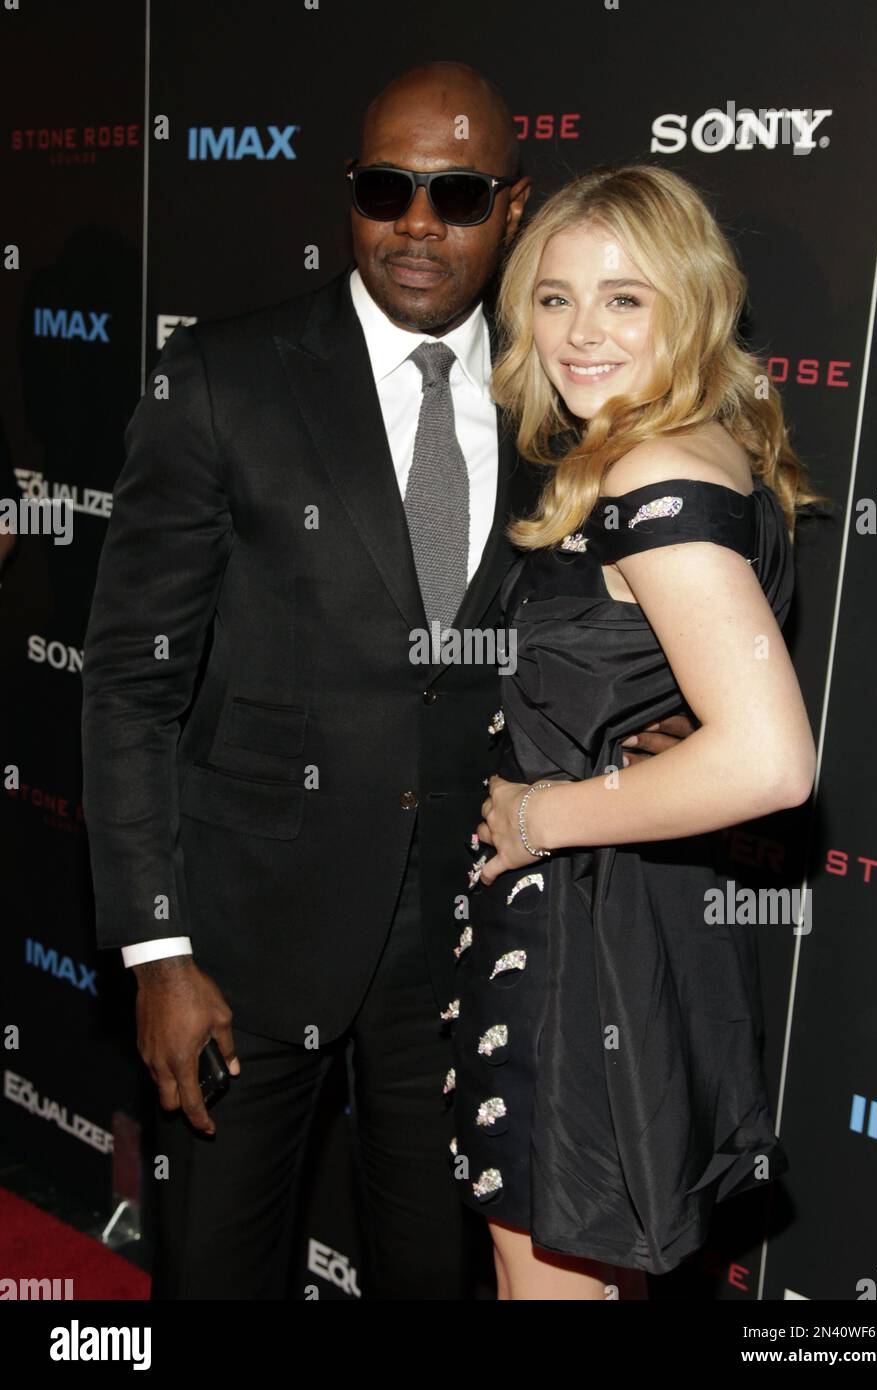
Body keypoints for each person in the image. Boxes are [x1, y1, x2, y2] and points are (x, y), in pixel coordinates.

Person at [80, 67, 693, 1300]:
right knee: (214, 1269)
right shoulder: (222, 379)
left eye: (456, 194)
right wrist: (157, 946)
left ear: (510, 207)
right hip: (242, 943)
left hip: (463, 938)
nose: (418, 222)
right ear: (350, 197)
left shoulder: (564, 409)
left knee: (432, 1271)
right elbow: (129, 687)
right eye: (386, 189)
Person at [449, 163, 821, 1300]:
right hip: (640, 923)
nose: (577, 332)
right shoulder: (704, 440)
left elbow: (769, 758)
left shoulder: (652, 467)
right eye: (553, 297)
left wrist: (538, 814)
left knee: (545, 1279)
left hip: (583, 940)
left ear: (689, 301)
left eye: (622, 297)